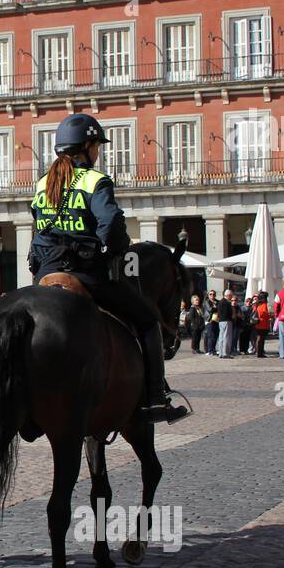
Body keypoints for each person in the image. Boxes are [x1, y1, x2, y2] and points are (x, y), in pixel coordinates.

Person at [27, 112, 187, 422]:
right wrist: (112, 246)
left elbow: (39, 225)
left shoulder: (43, 184)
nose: (98, 151)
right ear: (86, 147)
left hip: (45, 273)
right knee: (146, 321)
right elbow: (111, 221)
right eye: (96, 145)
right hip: (85, 274)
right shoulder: (94, 180)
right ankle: (155, 398)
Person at [216, 289, 236, 359]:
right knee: (226, 337)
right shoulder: (226, 303)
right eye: (231, 296)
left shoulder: (221, 301)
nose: (231, 297)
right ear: (228, 295)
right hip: (227, 321)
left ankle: (221, 353)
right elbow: (229, 313)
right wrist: (232, 308)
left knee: (221, 337)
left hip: (221, 321)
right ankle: (226, 353)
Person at [252, 291, 271, 357]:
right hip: (263, 323)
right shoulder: (264, 305)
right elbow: (264, 313)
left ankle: (259, 352)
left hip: (258, 323)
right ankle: (260, 353)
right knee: (261, 339)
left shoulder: (257, 304)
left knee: (259, 338)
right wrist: (270, 316)